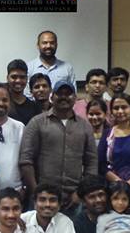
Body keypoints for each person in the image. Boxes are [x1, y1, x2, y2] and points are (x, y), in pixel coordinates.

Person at [19, 80, 97, 214]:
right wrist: (36, 192)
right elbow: (26, 160)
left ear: (75, 98)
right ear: (52, 96)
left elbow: (92, 163)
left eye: (68, 94)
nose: (64, 97)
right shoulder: (37, 123)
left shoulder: (85, 126)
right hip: (43, 198)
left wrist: (81, 193)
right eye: (59, 93)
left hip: (74, 200)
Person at [25, 30, 75, 98]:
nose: (48, 46)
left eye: (52, 43)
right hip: (35, 105)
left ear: (56, 45)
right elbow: (27, 95)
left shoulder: (67, 68)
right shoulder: (29, 68)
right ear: (38, 45)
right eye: (44, 43)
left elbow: (72, 94)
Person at [6, 59, 42, 125]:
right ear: (7, 78)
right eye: (14, 77)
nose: (18, 81)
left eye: (22, 77)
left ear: (27, 79)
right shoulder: (2, 105)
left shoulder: (35, 108)